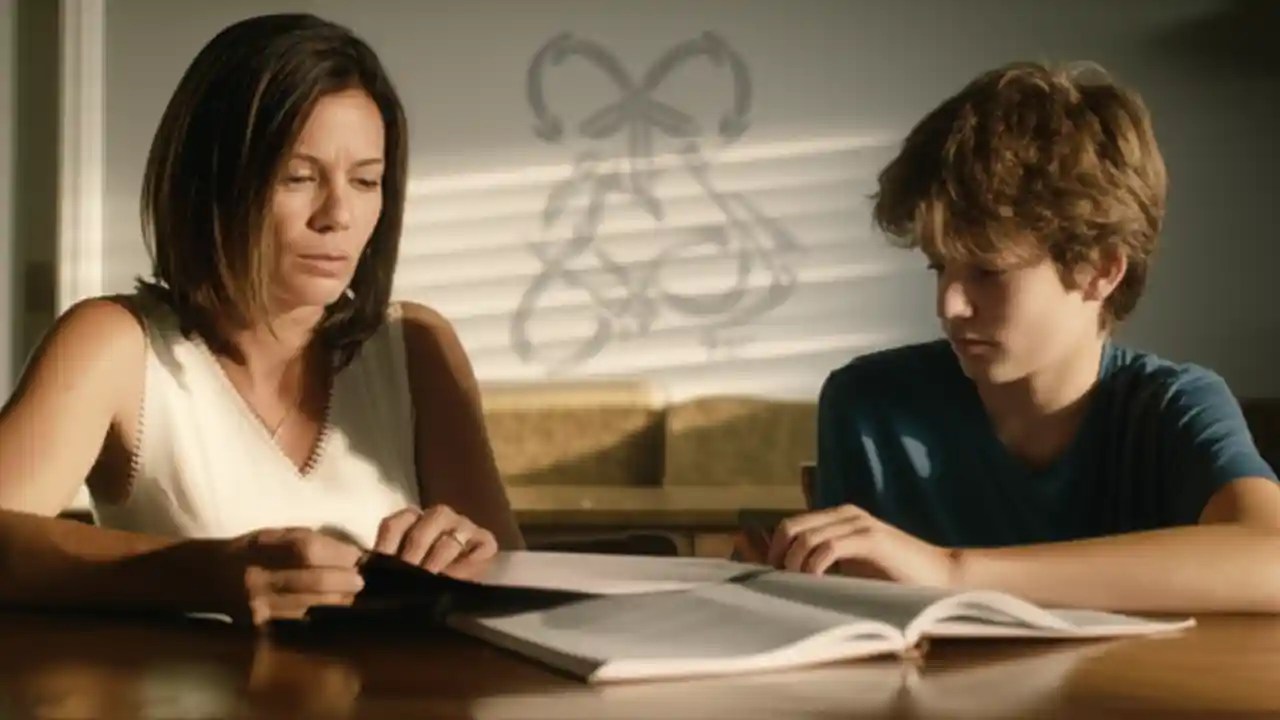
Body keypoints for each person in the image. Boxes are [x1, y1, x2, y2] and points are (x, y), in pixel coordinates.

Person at [0, 13, 522, 625]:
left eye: (366, 181)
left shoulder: (416, 347)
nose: (338, 215)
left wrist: (465, 550)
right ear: (213, 184)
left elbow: (515, 585)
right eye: (298, 178)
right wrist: (201, 572)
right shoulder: (116, 345)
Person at [763, 62, 1280, 613]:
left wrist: (951, 571)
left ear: (1101, 270)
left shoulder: (1173, 407)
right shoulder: (868, 405)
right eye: (939, 268)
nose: (949, 306)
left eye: (988, 271)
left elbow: (1271, 557)